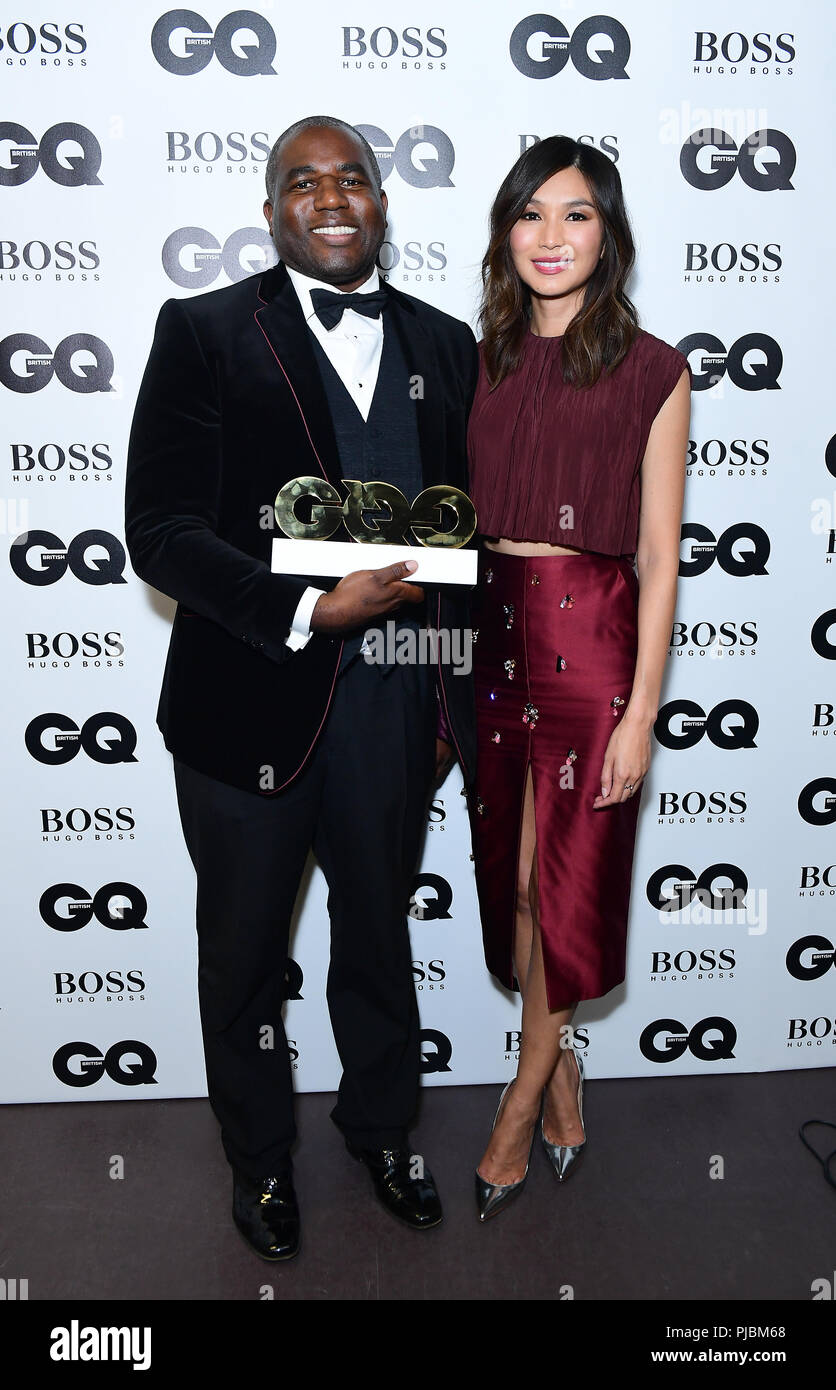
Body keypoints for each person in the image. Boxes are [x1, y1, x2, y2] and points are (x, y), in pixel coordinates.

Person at [124, 115, 478, 1259]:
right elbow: (162, 530)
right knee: (242, 956)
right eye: (300, 182)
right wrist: (302, 612)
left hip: (392, 711)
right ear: (271, 208)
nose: (330, 198)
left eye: (352, 179)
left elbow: (458, 549)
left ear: (383, 202)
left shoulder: (443, 343)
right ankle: (261, 1162)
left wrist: (442, 705)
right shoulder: (205, 331)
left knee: (377, 937)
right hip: (244, 708)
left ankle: (381, 1127)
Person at [465, 136, 691, 1219]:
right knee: (510, 888)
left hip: (592, 647)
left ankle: (518, 1099)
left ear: (608, 235)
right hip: (492, 644)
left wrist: (639, 711)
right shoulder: (481, 356)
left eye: (576, 215)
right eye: (529, 214)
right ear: (505, 232)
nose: (549, 238)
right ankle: (562, 1077)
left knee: (561, 894)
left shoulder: (649, 368)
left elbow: (656, 554)